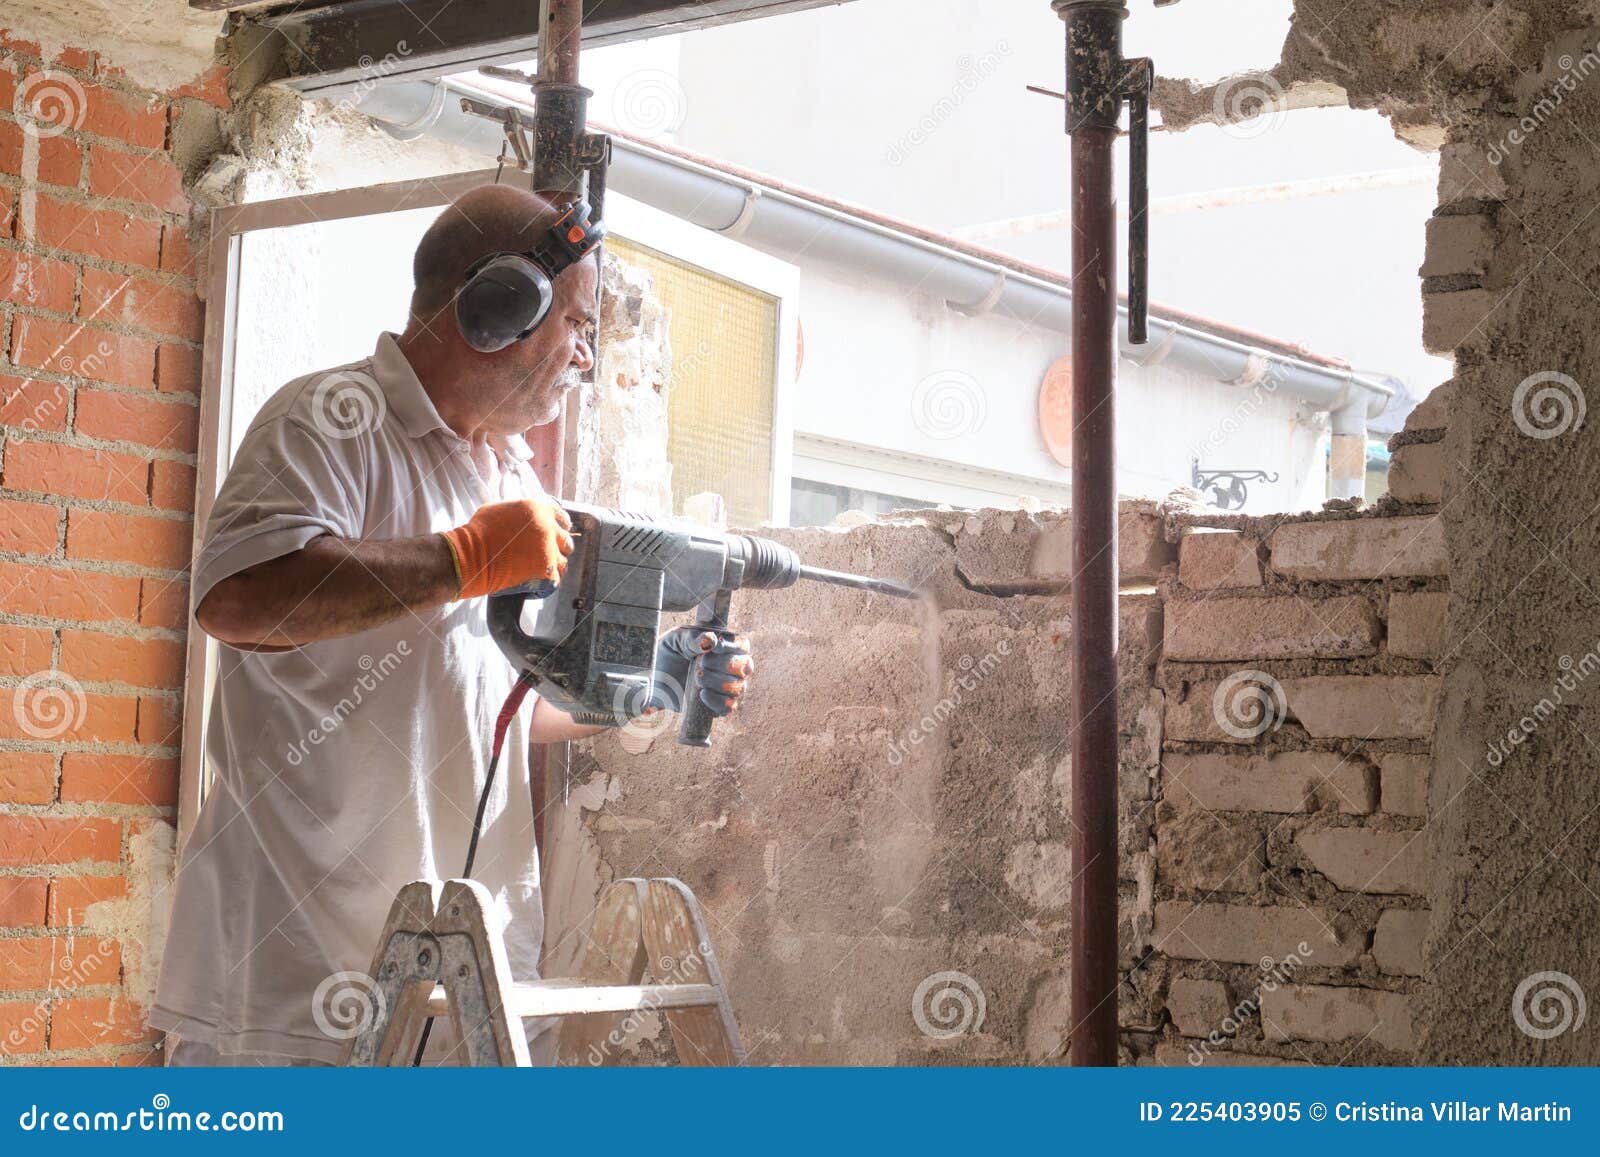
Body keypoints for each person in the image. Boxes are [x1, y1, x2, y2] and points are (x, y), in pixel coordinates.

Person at [151, 185, 753, 1066]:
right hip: (294, 980)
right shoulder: (330, 421)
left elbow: (507, 701)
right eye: (578, 325)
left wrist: (652, 680)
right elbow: (238, 600)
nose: (585, 356)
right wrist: (463, 559)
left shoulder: (509, 475)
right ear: (499, 306)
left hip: (462, 980)